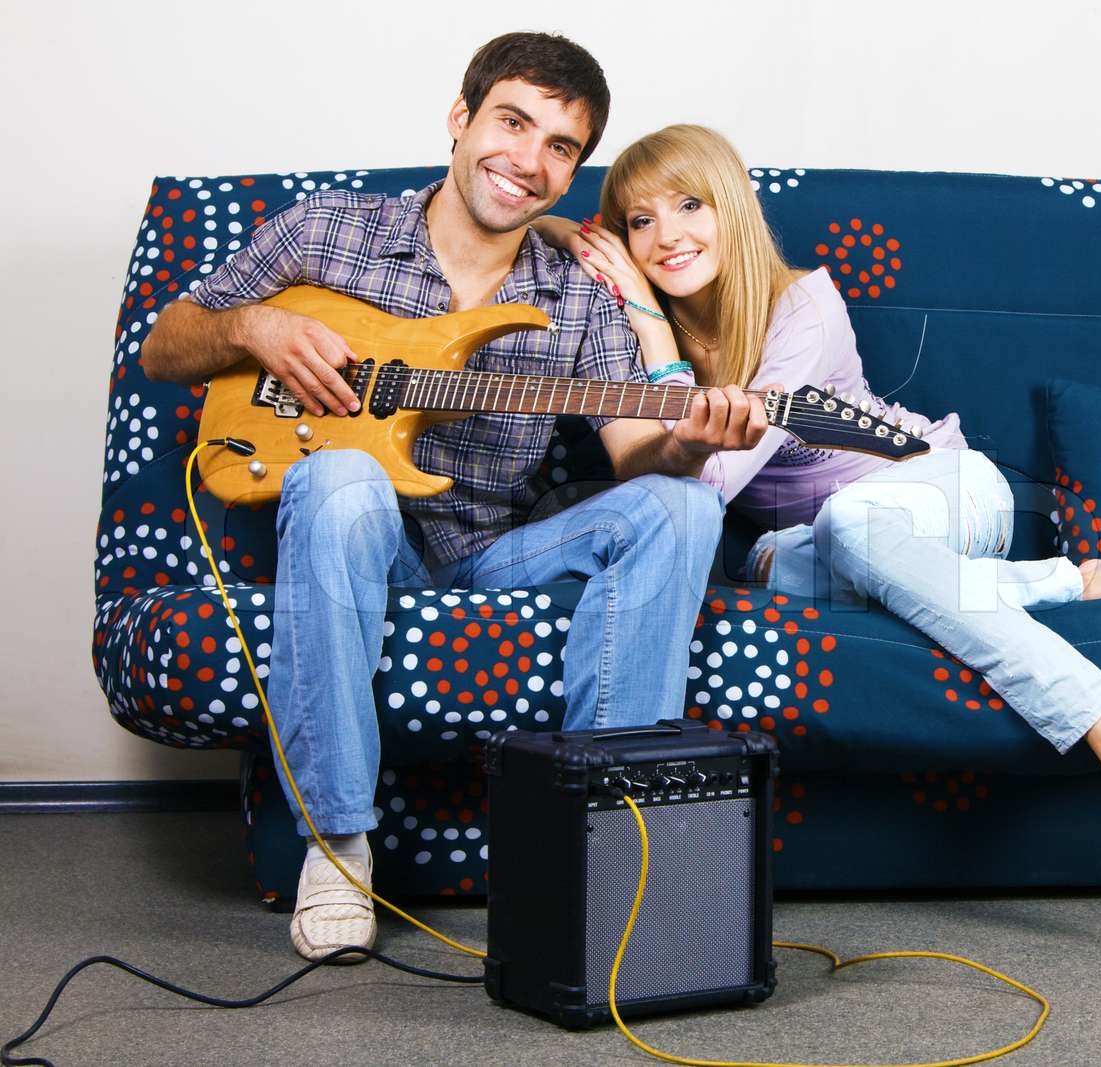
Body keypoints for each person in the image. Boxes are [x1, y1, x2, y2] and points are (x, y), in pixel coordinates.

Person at [141, 39, 768, 962]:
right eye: (513, 122)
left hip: (490, 551)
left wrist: (692, 436)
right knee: (345, 480)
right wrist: (256, 325)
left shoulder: (576, 297)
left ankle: (608, 830)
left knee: (686, 507)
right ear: (461, 118)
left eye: (561, 146)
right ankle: (338, 847)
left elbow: (639, 456)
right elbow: (166, 347)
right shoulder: (329, 231)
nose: (529, 158)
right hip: (365, 538)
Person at [535, 124, 1101, 884]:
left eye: (689, 205)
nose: (667, 236)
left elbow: (707, 485)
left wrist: (649, 328)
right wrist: (607, 273)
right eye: (640, 221)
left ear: (731, 206)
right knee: (771, 564)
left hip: (945, 487)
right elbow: (546, 228)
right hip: (821, 546)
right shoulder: (640, 330)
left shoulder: (807, 304)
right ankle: (1080, 580)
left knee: (853, 524)